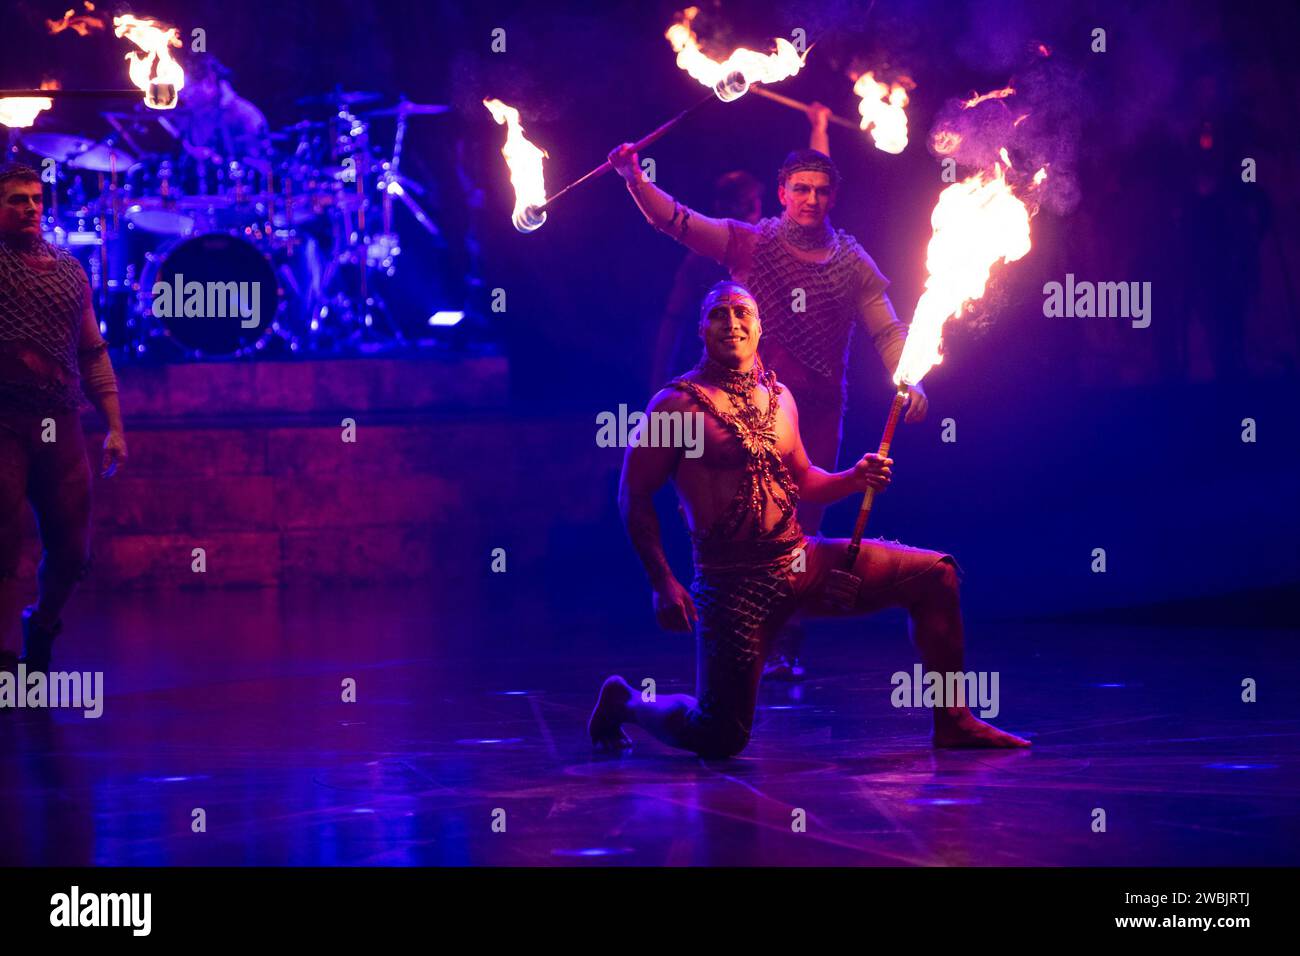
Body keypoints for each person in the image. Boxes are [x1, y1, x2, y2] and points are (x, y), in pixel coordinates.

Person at [588, 281, 1027, 757]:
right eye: (719, 314)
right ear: (702, 328)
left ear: (759, 327)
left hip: (800, 560)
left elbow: (804, 479)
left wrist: (854, 477)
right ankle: (627, 700)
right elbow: (633, 495)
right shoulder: (675, 406)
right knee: (720, 736)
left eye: (742, 313)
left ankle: (954, 720)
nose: (732, 323)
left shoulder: (780, 398)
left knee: (936, 575)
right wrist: (662, 581)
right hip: (733, 584)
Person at [609, 115, 927, 681]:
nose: (811, 199)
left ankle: (784, 641)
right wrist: (635, 179)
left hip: (815, 410)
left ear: (834, 197)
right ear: (782, 193)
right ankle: (731, 632)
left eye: (822, 190)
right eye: (800, 188)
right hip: (739, 404)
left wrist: (911, 375)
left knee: (802, 528)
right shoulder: (752, 241)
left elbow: (887, 329)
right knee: (743, 522)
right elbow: (677, 221)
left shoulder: (853, 263)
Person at [0, 163, 127, 673]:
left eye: (35, 199)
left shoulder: (70, 271)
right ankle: (6, 660)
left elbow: (92, 352)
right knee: (4, 548)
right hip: (4, 420)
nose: (30, 207)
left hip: (60, 422)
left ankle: (44, 625)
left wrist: (115, 425)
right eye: (16, 200)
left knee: (73, 550)